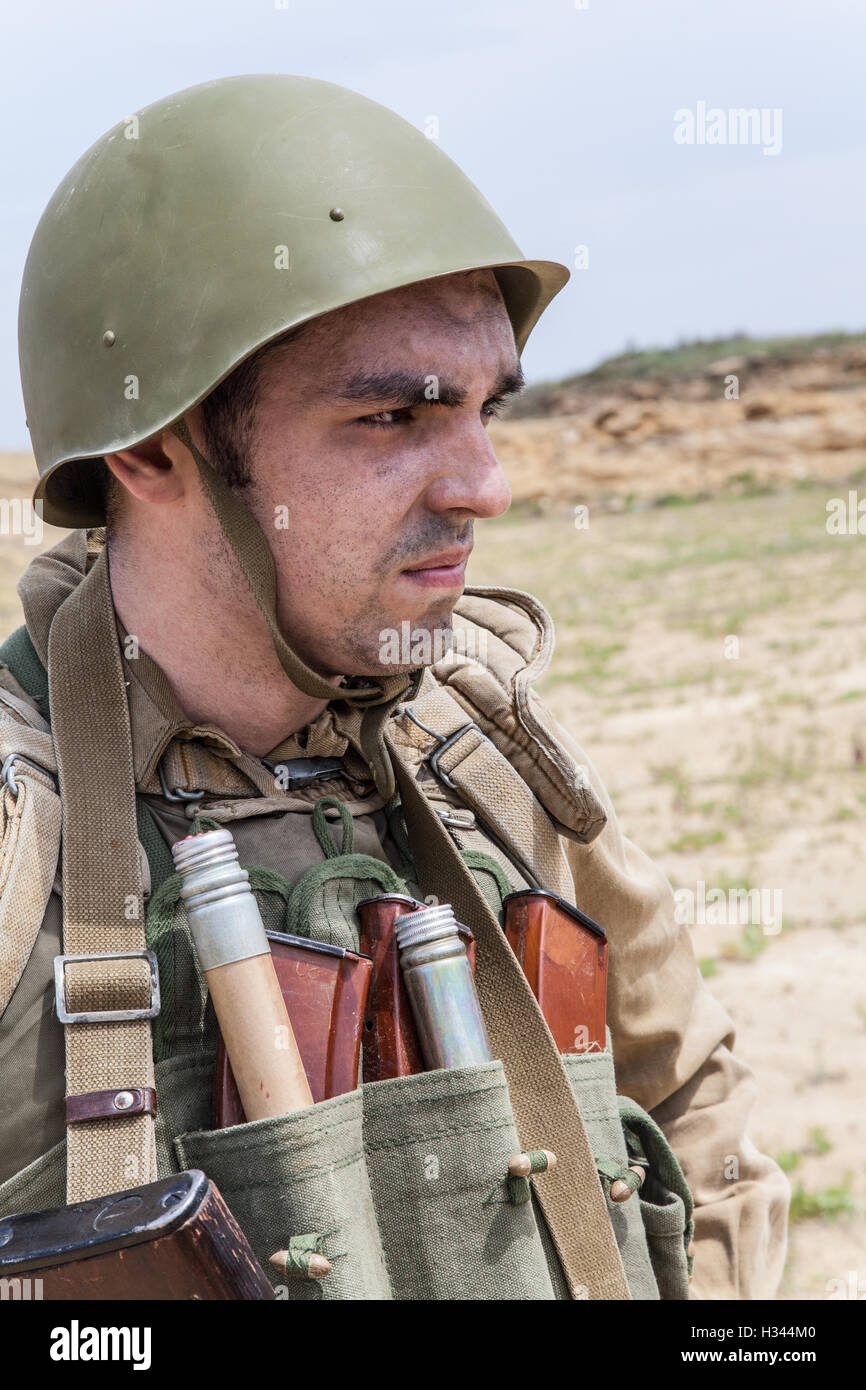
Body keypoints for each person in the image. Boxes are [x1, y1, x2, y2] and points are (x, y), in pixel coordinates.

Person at [0, 74, 789, 1300]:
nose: (484, 484)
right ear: (152, 451)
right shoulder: (18, 842)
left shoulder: (476, 749)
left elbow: (688, 1097)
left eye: (483, 409)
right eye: (389, 416)